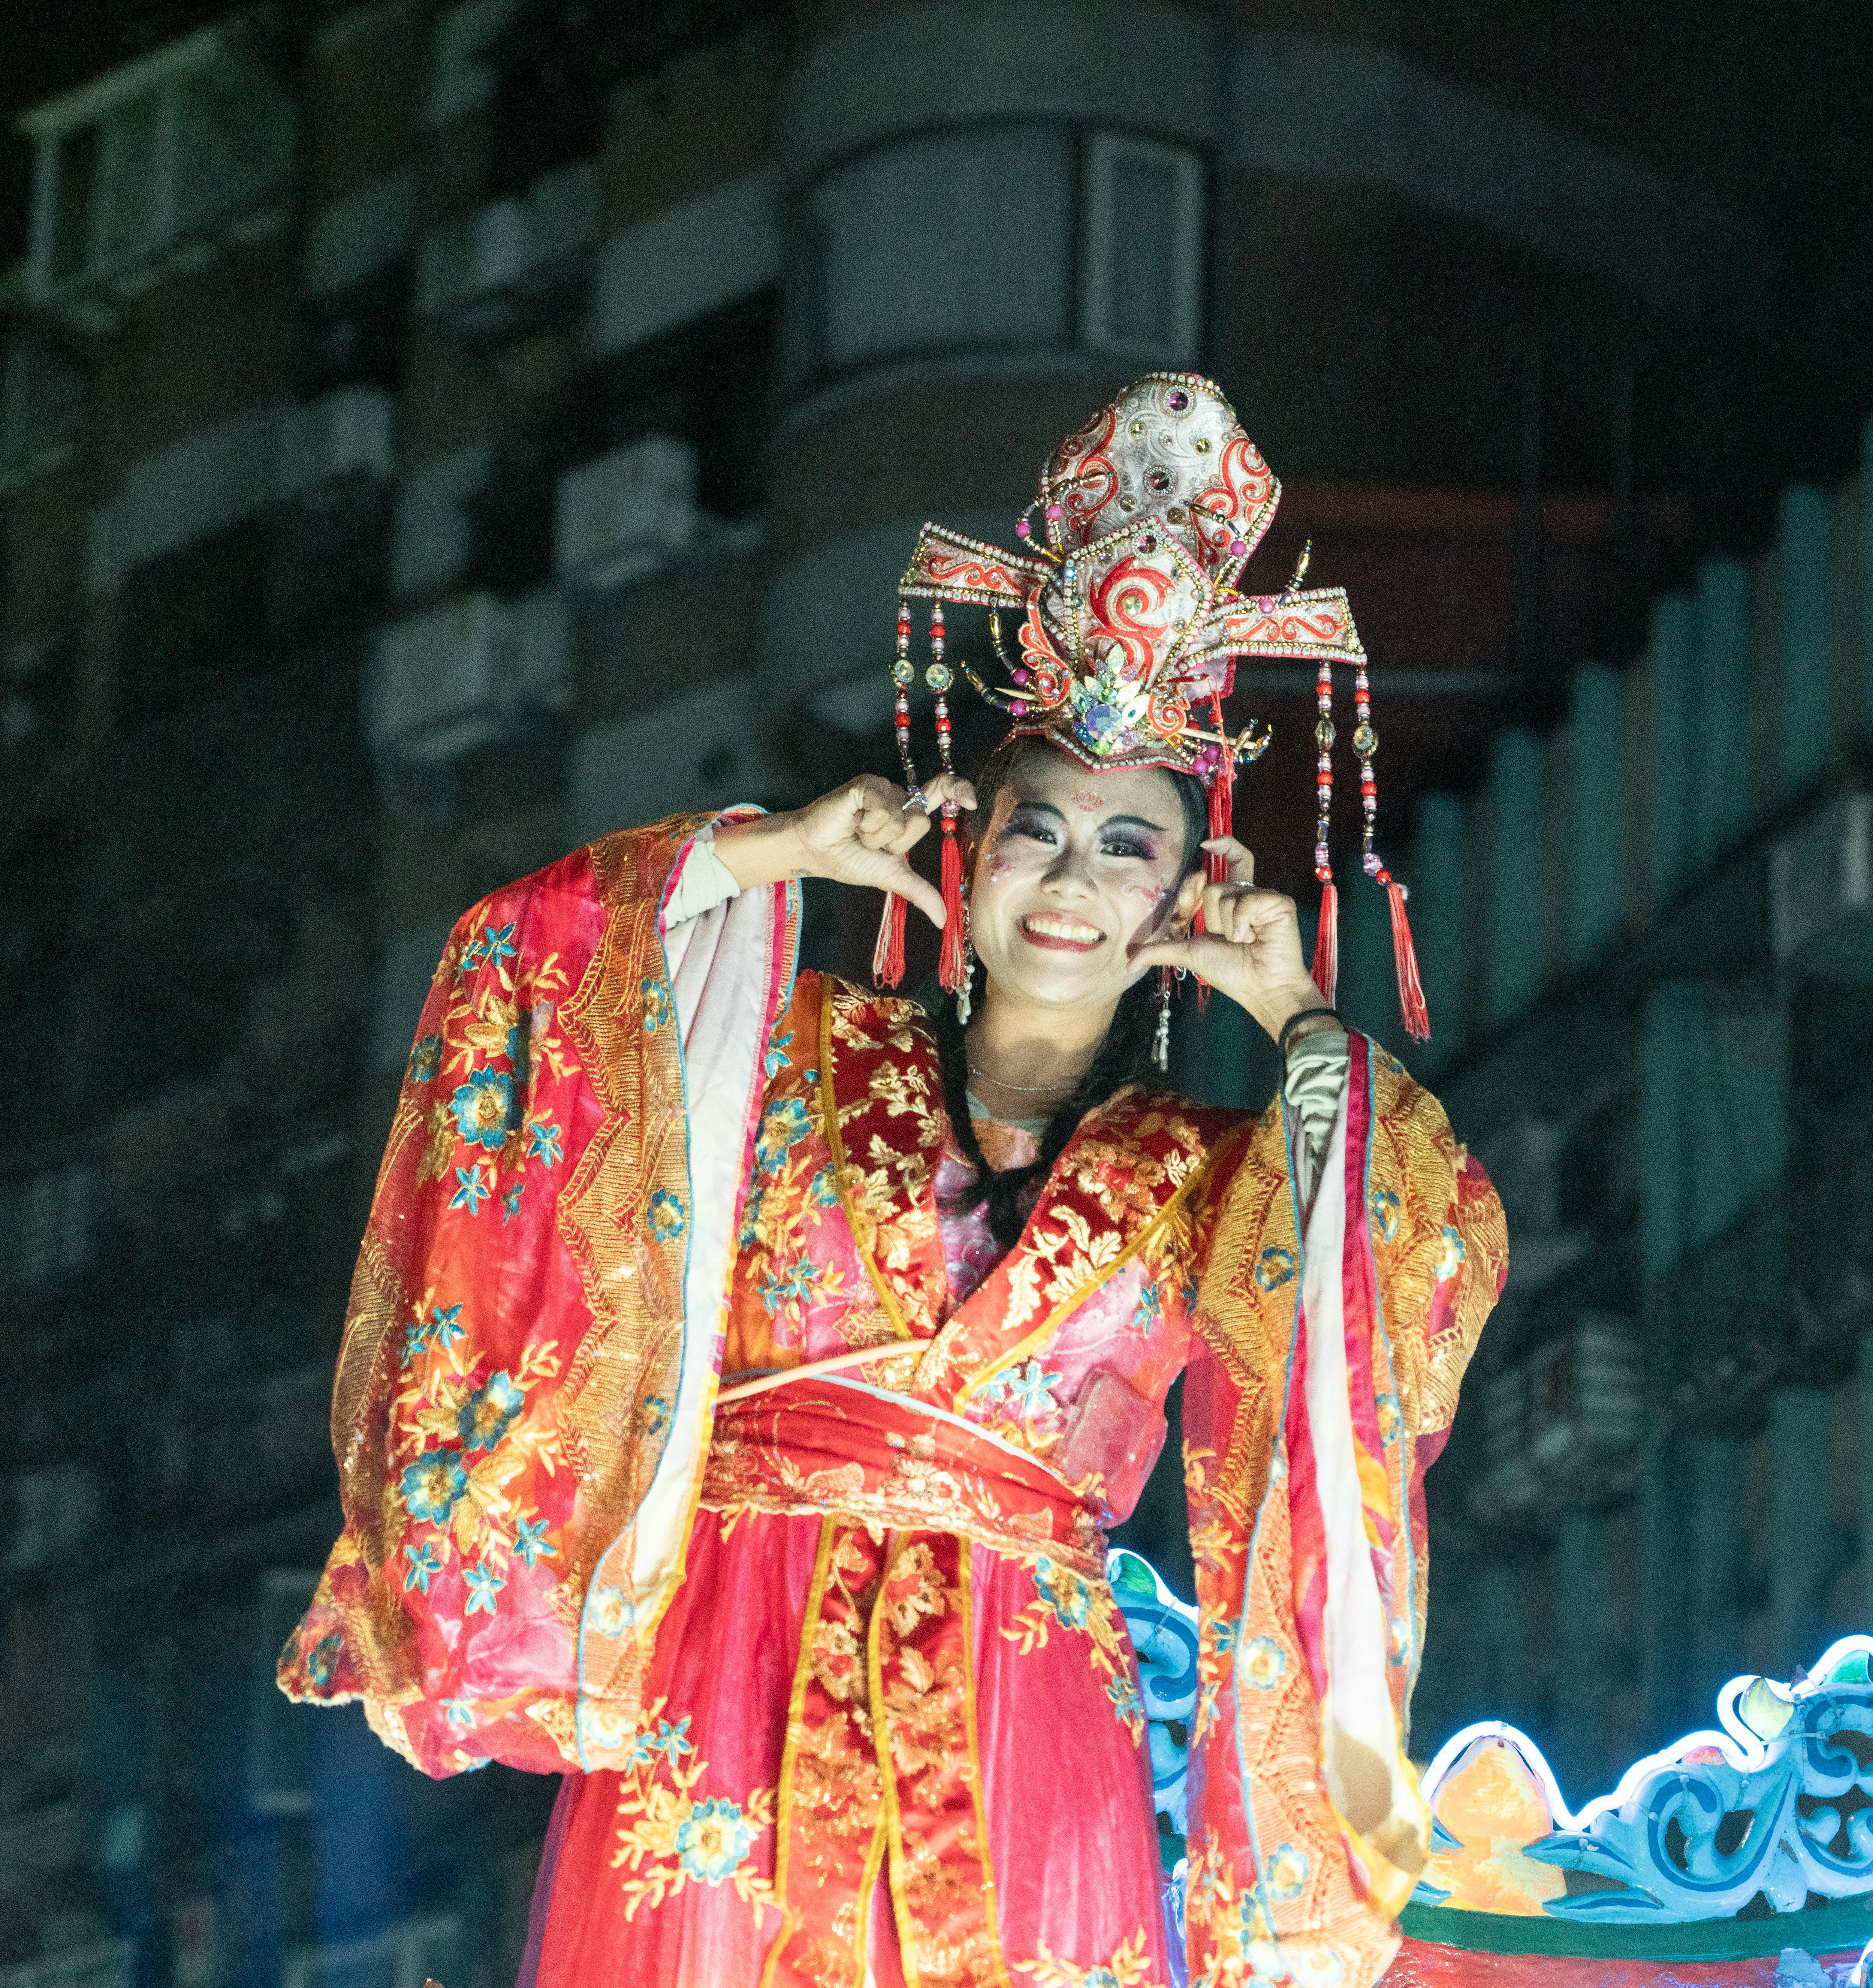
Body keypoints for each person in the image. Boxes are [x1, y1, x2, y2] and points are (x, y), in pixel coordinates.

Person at [278, 375, 1507, 1988]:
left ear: (1184, 894)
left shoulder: (1207, 1183)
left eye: (1124, 848)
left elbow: (1418, 1254)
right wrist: (768, 854)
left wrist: (1291, 1016)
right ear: (963, 846)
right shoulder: (785, 1056)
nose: (1071, 881)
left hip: (1028, 1724)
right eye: (1036, 833)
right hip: (732, 1662)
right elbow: (527, 987)